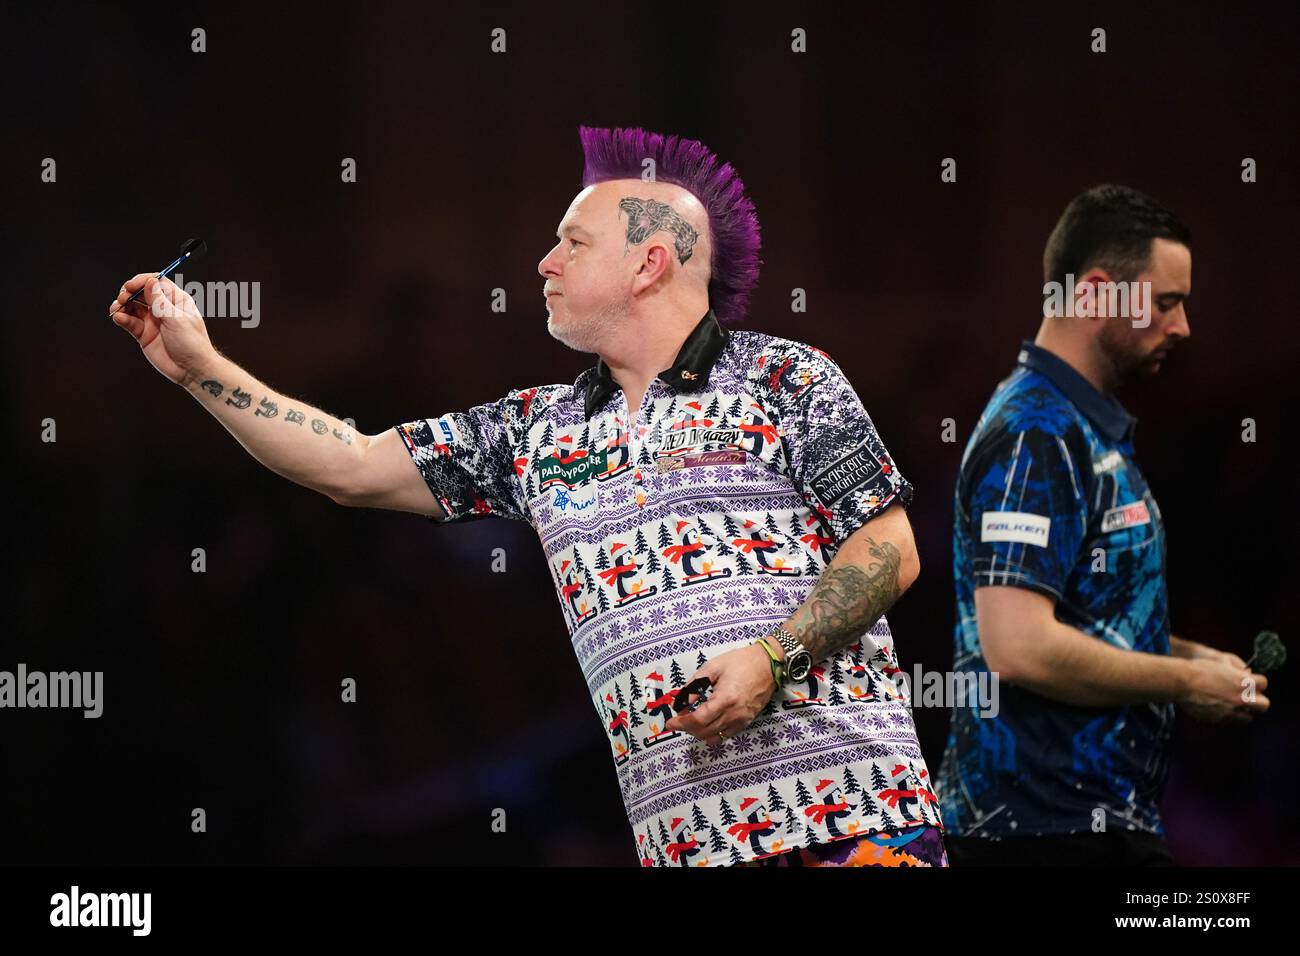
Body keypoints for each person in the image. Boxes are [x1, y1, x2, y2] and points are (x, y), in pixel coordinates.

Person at [108, 125, 946, 868]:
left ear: (649, 263)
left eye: (572, 243)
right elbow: (354, 465)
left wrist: (773, 661)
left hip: (854, 826)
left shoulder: (785, 378)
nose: (543, 263)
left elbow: (889, 549)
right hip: (689, 844)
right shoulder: (533, 431)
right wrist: (199, 368)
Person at [935, 184, 1270, 866]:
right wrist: (1182, 684)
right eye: (1167, 301)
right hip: (1036, 835)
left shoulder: (1079, 427)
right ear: (1094, 294)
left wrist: (1182, 655)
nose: (1183, 327)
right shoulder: (1036, 432)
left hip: (1088, 825)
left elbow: (1076, 615)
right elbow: (1018, 645)